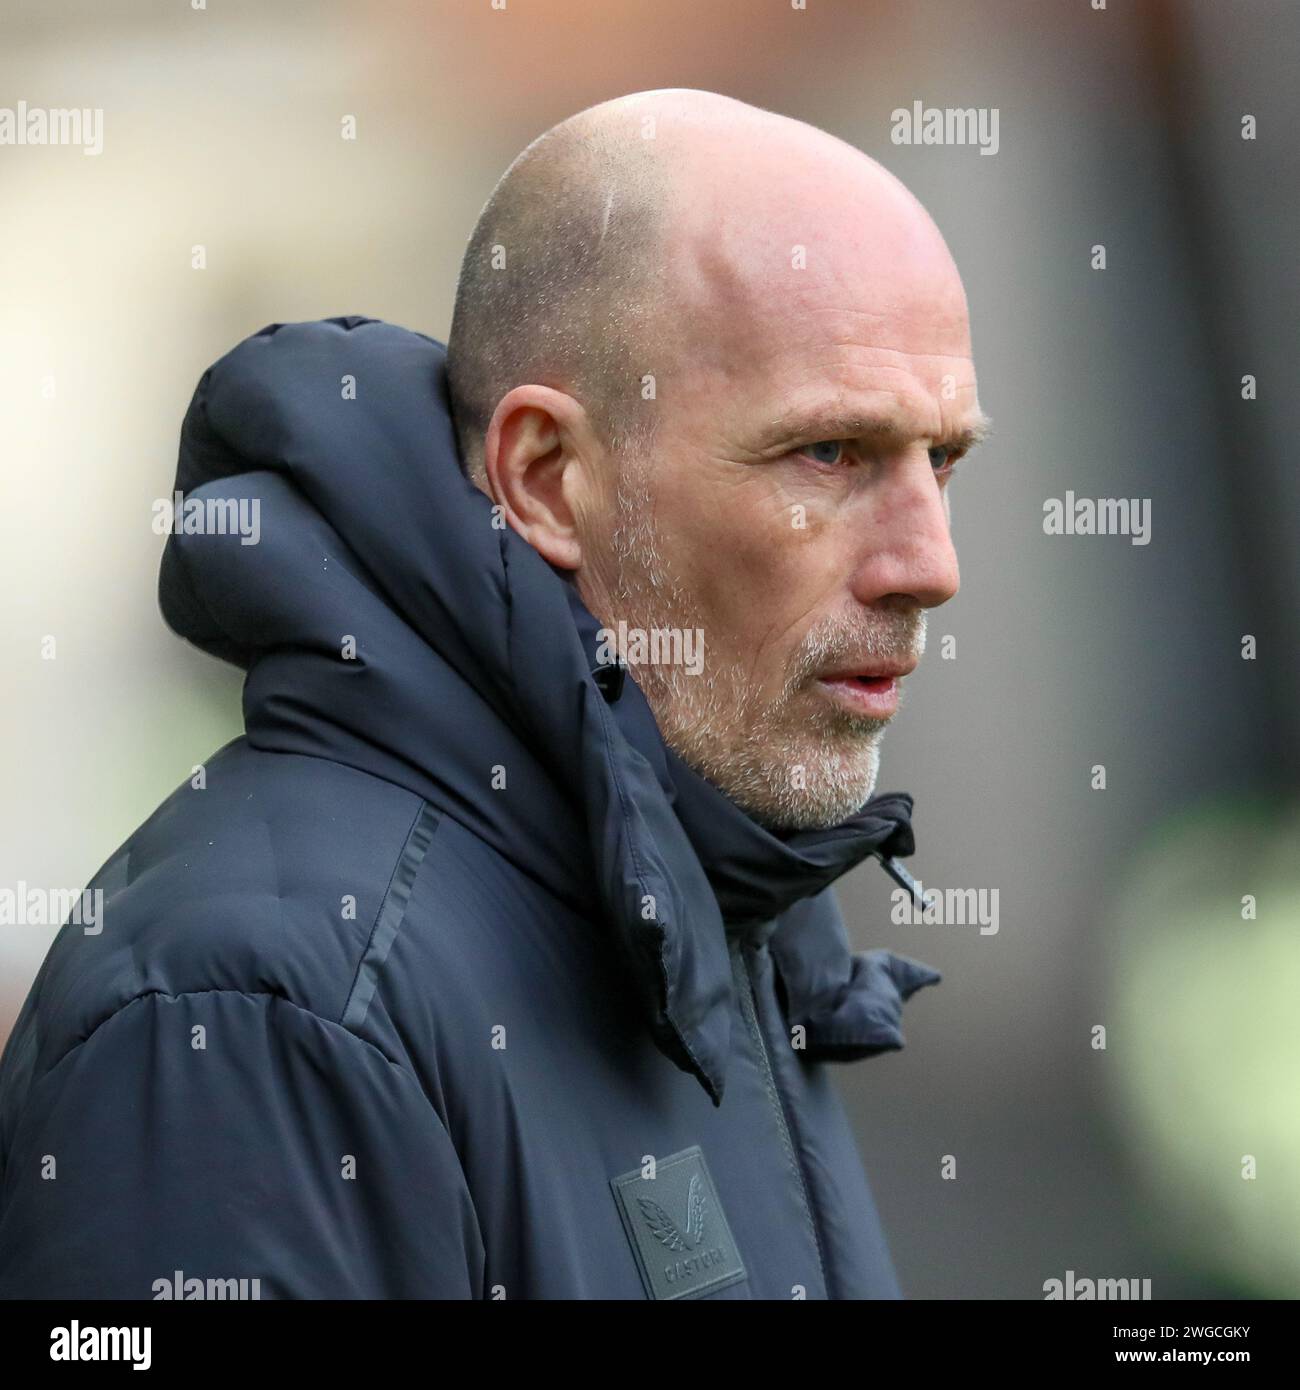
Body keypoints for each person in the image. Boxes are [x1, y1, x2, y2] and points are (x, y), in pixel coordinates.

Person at [0, 89, 988, 1300]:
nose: (929, 563)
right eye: (829, 454)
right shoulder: (256, 1014)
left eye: (941, 460)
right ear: (547, 475)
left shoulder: (716, 910)